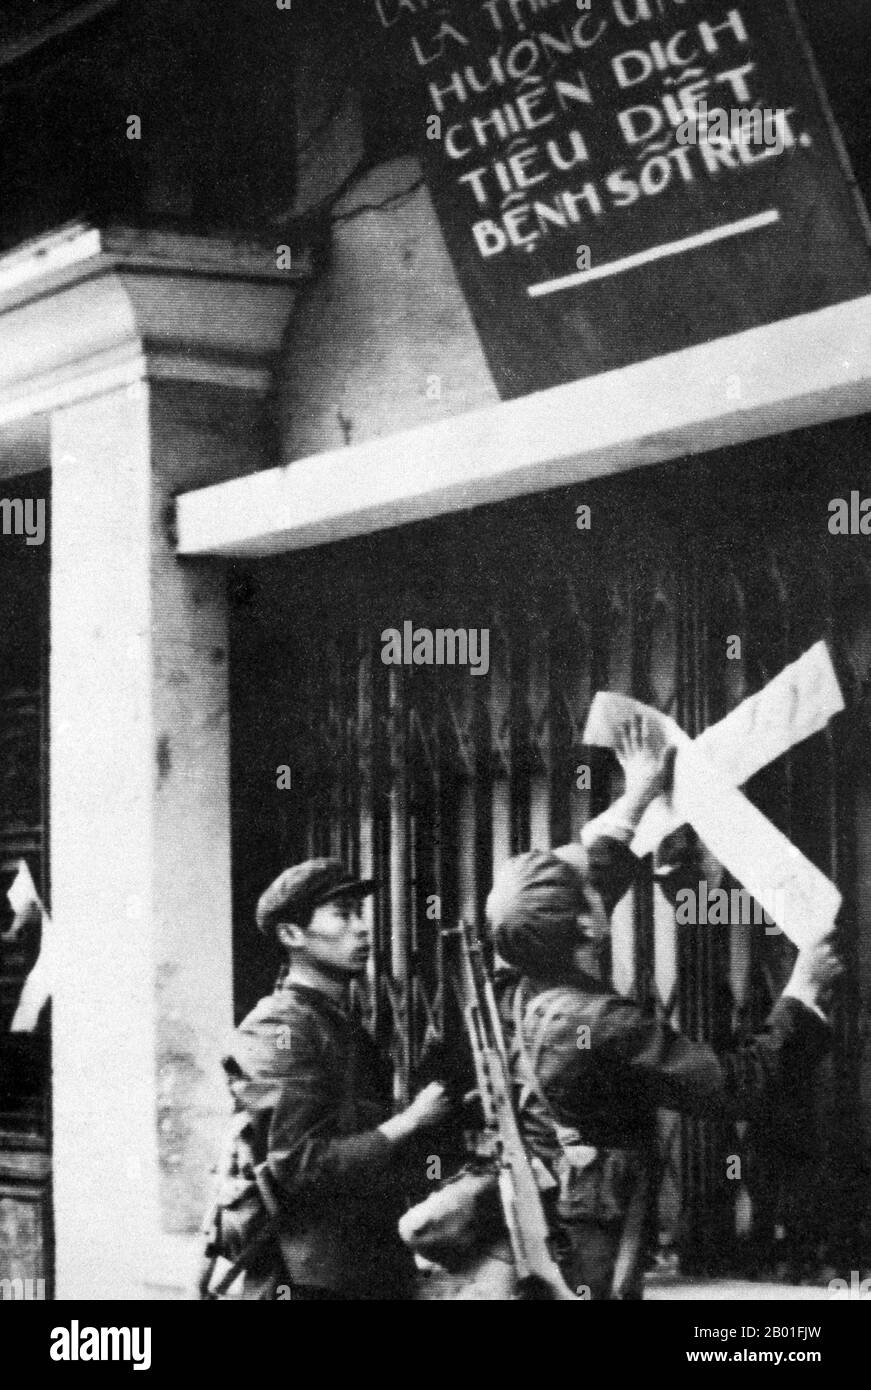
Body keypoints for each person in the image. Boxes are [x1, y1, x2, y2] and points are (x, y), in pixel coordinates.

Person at [484, 716, 843, 1300]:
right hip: (596, 1228)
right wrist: (802, 991)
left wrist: (639, 793)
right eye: (592, 896)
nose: (602, 887)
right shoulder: (605, 1025)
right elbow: (737, 1085)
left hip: (562, 1203)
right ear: (588, 923)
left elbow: (572, 887)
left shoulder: (516, 976)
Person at [215, 857, 451, 1299]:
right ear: (291, 934)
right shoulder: (279, 1029)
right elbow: (299, 1164)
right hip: (306, 1279)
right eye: (343, 915)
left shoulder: (334, 1021)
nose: (363, 928)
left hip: (362, 1268)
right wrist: (410, 1122)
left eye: (359, 914)